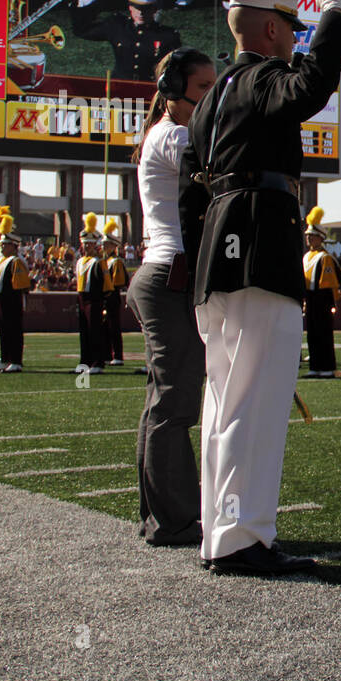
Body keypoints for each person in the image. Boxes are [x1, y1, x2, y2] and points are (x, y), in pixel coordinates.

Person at [178, 0, 341, 575]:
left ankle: (220, 532)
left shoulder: (211, 99)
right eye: (293, 26)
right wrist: (332, 12)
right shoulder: (259, 79)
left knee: (224, 397)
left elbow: (189, 189)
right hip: (259, 241)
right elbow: (310, 88)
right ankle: (242, 539)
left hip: (220, 252)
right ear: (274, 31)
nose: (294, 36)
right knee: (255, 398)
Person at [129, 45, 216, 547]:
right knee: (174, 404)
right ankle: (173, 520)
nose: (211, 96)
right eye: (203, 87)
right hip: (170, 277)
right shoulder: (178, 135)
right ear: (171, 91)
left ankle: (161, 514)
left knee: (162, 402)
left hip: (166, 275)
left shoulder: (168, 134)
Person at [71, 0, 182, 82]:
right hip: (119, 86)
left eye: (145, 9)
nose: (140, 13)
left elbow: (177, 68)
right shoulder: (118, 26)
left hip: (148, 88)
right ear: (130, 8)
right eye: (137, 8)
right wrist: (84, 6)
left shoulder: (167, 35)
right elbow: (82, 31)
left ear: (154, 10)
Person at [301, 206, 341, 379]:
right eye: (308, 235)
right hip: (310, 299)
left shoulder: (325, 257)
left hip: (322, 299)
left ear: (320, 237)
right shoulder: (306, 257)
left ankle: (326, 366)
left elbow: (333, 280)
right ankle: (314, 366)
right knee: (312, 333)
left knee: (323, 333)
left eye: (312, 235)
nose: (309, 238)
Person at [0, 214, 31, 373]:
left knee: (13, 329)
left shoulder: (15, 261)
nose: (1, 247)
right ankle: (5, 357)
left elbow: (20, 285)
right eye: (1, 244)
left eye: (5, 244)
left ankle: (15, 360)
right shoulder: (3, 260)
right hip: (2, 299)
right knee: (3, 329)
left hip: (12, 300)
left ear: (13, 246)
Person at [75, 213, 112, 375]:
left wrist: (103, 302)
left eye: (89, 244)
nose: (86, 247)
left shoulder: (98, 262)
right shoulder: (80, 261)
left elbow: (106, 284)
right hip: (82, 298)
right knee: (84, 331)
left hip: (94, 299)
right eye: (85, 244)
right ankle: (85, 361)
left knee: (95, 331)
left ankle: (97, 362)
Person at [102, 220, 129, 366]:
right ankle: (107, 354)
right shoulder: (105, 261)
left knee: (114, 326)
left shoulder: (116, 261)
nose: (103, 247)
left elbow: (118, 282)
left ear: (113, 246)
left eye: (106, 245)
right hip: (106, 297)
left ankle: (117, 355)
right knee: (105, 327)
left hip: (112, 296)